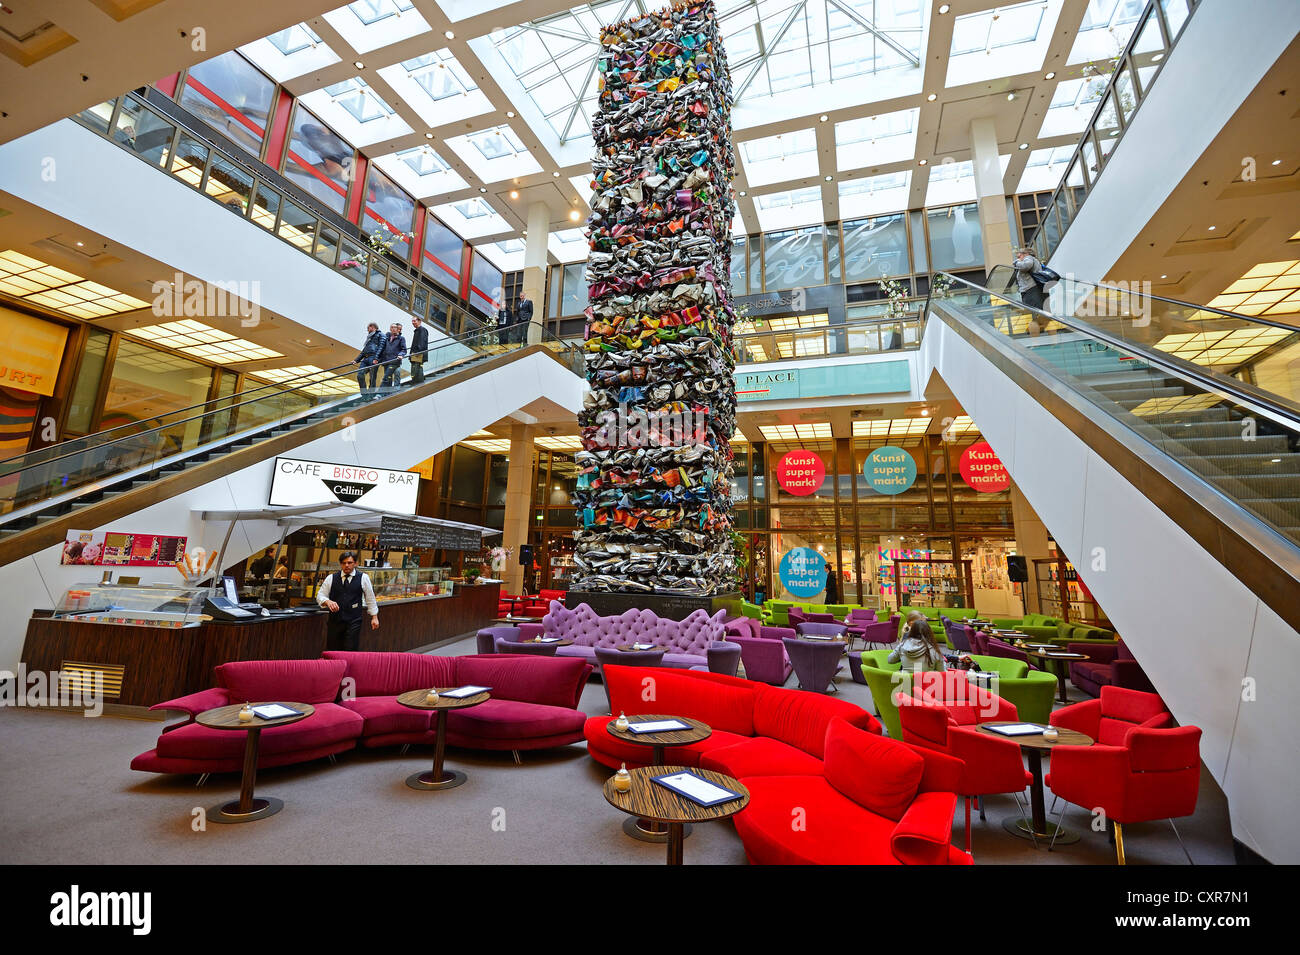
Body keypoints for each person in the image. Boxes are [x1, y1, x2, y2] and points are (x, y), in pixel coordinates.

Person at [316, 552, 378, 651]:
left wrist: (374, 617)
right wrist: (328, 601)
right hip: (335, 621)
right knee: (333, 649)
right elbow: (320, 596)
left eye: (349, 563)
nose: (346, 565)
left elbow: (370, 598)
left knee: (350, 649)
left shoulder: (363, 578)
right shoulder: (331, 578)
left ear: (355, 563)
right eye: (344, 563)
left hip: (354, 620)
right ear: (340, 564)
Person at [354, 322, 384, 397]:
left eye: (368, 327)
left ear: (373, 327)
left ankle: (371, 394)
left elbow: (381, 347)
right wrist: (356, 360)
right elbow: (364, 350)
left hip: (373, 357)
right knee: (360, 375)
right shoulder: (369, 337)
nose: (367, 329)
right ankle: (364, 395)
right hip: (366, 358)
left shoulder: (380, 335)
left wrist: (376, 358)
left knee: (372, 377)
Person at [1013, 247, 1046, 312]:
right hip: (1032, 288)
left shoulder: (1028, 258)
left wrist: (1016, 262)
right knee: (1035, 310)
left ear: (1025, 254)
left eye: (1019, 256)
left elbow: (1026, 266)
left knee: (1033, 311)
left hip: (1030, 288)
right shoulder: (1034, 259)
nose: (1018, 258)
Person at [378, 322, 407, 392]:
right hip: (387, 361)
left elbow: (404, 349)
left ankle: (396, 389)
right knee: (388, 377)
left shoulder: (401, 338)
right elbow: (382, 347)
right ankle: (388, 391)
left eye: (399, 329)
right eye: (393, 328)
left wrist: (401, 355)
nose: (398, 330)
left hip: (396, 361)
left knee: (397, 373)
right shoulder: (387, 337)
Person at [409, 314, 429, 385]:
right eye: (412, 321)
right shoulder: (417, 330)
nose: (413, 322)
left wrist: (416, 352)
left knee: (417, 368)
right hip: (416, 353)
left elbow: (421, 342)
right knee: (416, 368)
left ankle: (418, 383)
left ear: (419, 321)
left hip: (418, 354)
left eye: (414, 321)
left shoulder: (422, 330)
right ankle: (417, 382)